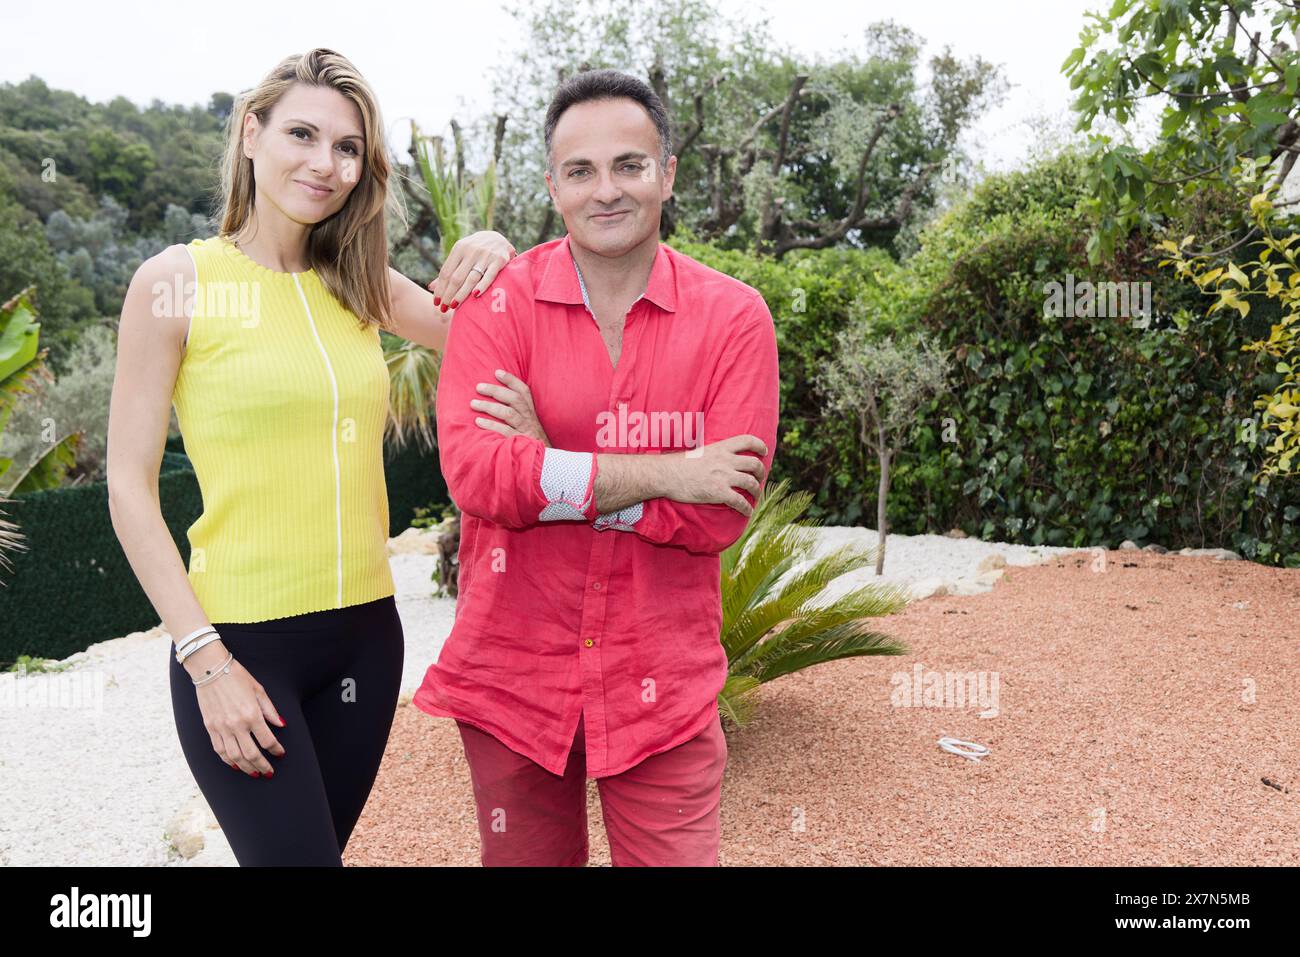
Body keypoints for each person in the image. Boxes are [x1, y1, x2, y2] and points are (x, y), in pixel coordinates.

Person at [106, 48, 535, 866]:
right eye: (302, 133)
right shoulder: (176, 283)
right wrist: (206, 663)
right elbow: (128, 488)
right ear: (250, 133)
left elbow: (506, 328)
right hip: (239, 645)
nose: (325, 163)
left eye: (347, 148)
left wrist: (493, 246)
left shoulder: (363, 283)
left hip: (367, 645)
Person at [412, 68, 781, 866]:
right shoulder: (494, 303)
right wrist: (664, 472)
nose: (605, 190)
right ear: (552, 185)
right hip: (512, 676)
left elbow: (717, 513)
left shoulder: (734, 318)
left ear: (667, 173)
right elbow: (479, 477)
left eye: (629, 165)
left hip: (664, 686)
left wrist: (550, 461)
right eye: (580, 170)